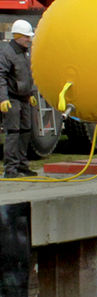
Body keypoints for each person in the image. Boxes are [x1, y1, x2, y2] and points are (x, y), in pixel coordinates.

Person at [0, 19, 38, 178]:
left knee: (26, 131)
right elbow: (0, 76)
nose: (29, 40)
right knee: (13, 132)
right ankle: (10, 169)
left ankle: (22, 165)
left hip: (24, 98)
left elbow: (29, 75)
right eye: (26, 37)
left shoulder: (25, 52)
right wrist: (3, 98)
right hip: (12, 99)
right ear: (17, 36)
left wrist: (31, 94)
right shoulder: (7, 53)